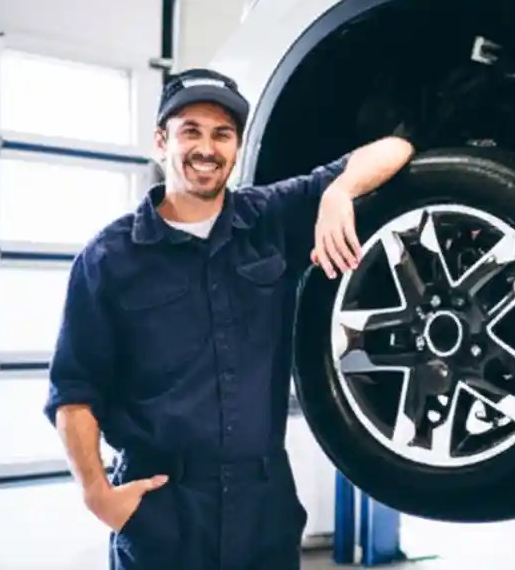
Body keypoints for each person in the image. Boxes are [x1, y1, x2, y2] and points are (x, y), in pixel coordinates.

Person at [42, 67, 415, 570]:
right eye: (190, 131)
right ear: (161, 142)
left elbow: (396, 149)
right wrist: (98, 496)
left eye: (222, 134)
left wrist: (338, 191)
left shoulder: (270, 218)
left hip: (264, 504)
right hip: (163, 506)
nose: (207, 148)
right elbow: (73, 393)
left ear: (236, 146)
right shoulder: (109, 259)